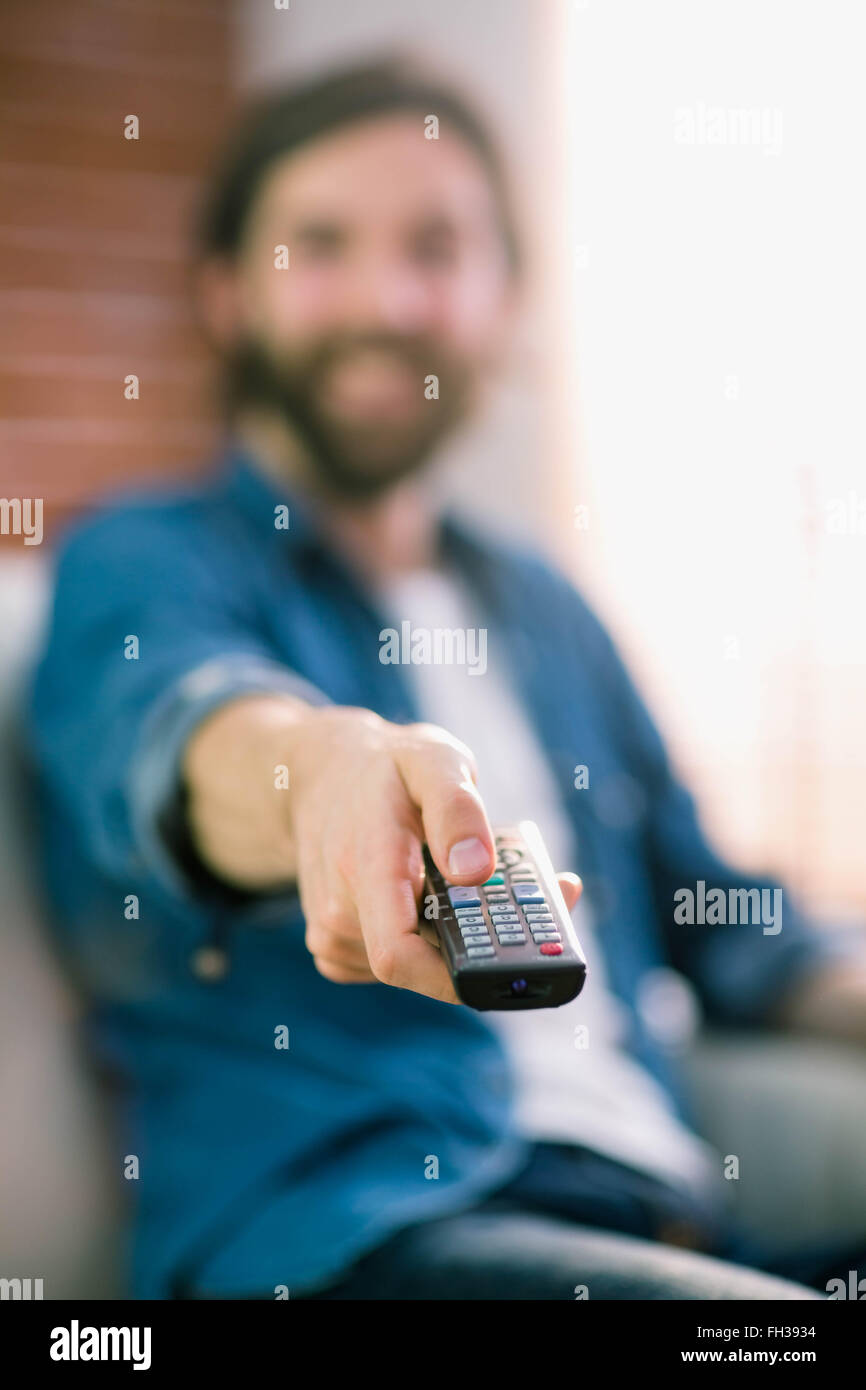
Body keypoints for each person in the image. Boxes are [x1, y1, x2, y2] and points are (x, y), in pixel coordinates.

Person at [26, 58, 866, 1301]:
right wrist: (318, 775)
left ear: (504, 299)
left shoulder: (543, 605)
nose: (386, 298)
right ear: (223, 294)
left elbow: (723, 921)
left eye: (435, 247)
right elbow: (180, 737)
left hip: (653, 1214)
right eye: (319, 245)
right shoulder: (141, 558)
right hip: (360, 1243)